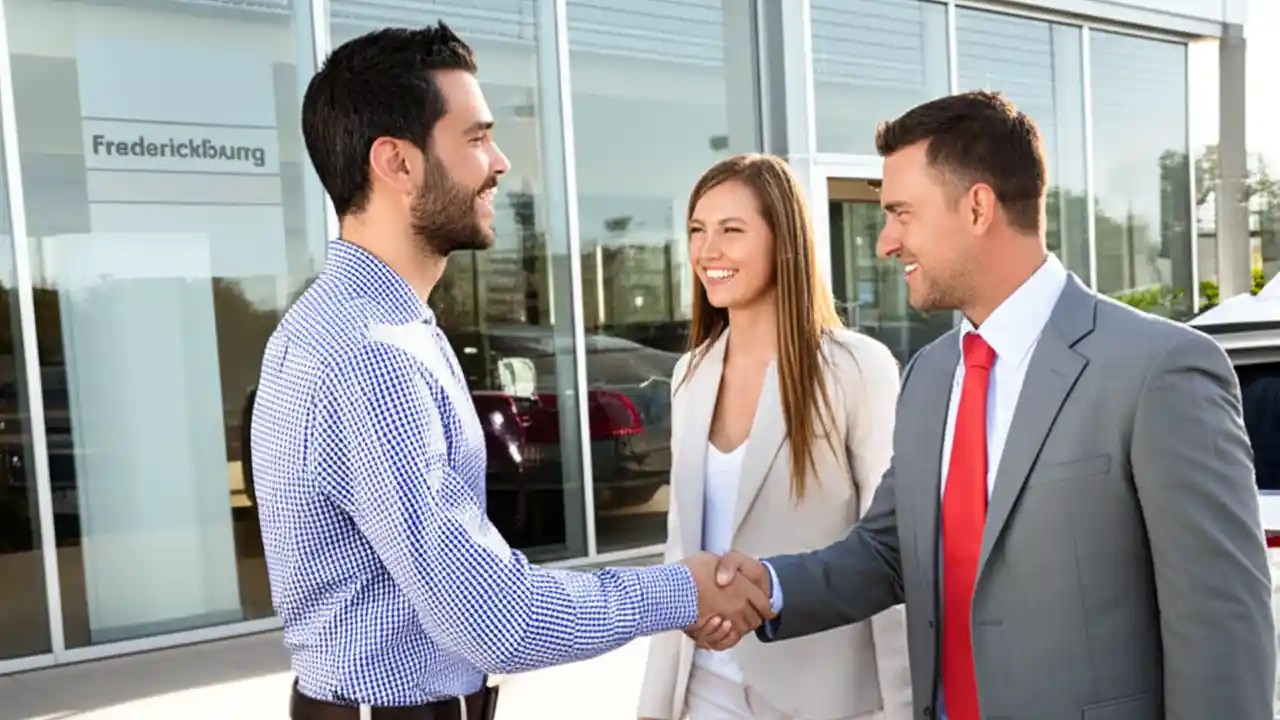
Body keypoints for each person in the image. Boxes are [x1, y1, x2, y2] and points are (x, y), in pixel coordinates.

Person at [250, 22, 772, 720]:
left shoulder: (364, 327)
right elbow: (493, 617)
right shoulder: (370, 355)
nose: (499, 162)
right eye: (474, 138)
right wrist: (685, 590)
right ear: (397, 164)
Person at [702, 91, 1276, 719]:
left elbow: (1221, 626)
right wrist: (770, 585)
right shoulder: (930, 375)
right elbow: (890, 549)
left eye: (900, 213)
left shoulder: (1158, 370)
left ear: (977, 207)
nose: (886, 243)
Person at [636, 155, 912, 720]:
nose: (708, 251)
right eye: (697, 230)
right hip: (703, 687)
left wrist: (904, 703)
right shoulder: (691, 373)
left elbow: (889, 546)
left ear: (783, 239)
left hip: (823, 695)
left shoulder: (857, 369)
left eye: (731, 230)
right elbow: (680, 541)